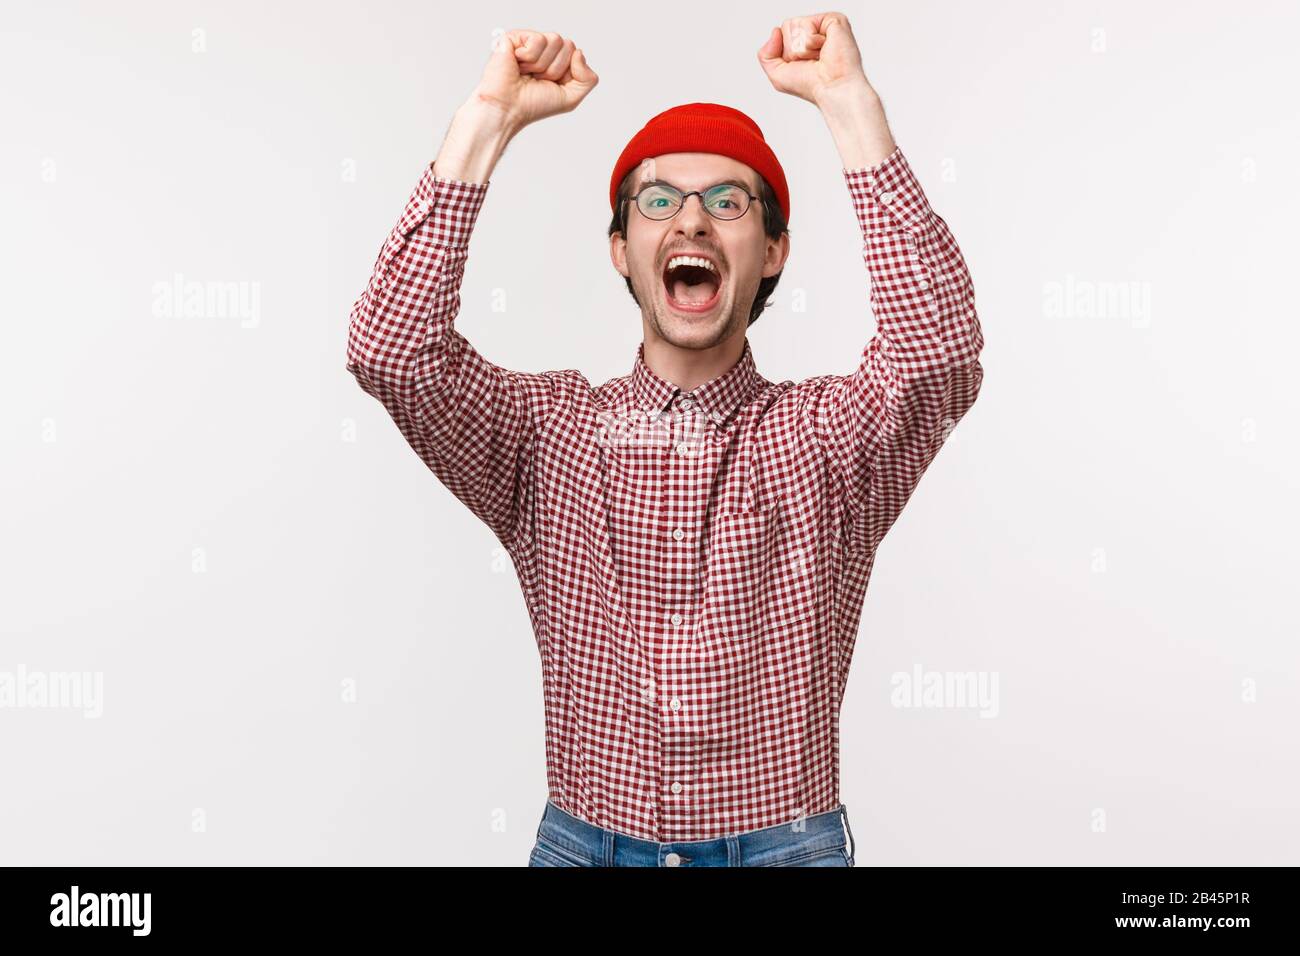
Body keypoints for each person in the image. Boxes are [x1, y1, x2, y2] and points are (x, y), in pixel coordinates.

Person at [345, 13, 985, 867]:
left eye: (728, 202)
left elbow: (936, 353)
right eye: (659, 201)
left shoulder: (829, 442)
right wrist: (487, 121)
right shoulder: (548, 434)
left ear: (771, 252)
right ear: (622, 249)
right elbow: (391, 347)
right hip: (586, 844)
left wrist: (847, 103)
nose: (692, 222)